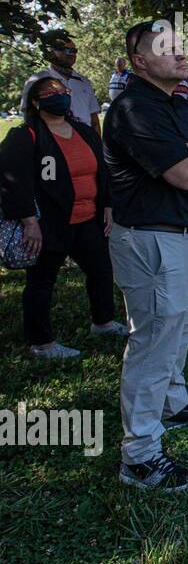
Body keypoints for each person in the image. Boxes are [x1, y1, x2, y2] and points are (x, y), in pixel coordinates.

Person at [103, 19, 188, 491]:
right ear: (139, 60)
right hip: (151, 237)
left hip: (185, 233)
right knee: (154, 339)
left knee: (181, 324)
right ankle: (139, 454)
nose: (182, 54)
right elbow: (185, 173)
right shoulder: (133, 108)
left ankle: (173, 404)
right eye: (168, 48)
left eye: (183, 47)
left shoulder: (178, 102)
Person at [0, 76, 127, 360]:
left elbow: (103, 171)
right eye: (50, 92)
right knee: (42, 281)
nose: (59, 95)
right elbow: (12, 182)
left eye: (63, 91)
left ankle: (103, 322)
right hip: (49, 224)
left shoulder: (84, 132)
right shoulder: (25, 136)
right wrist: (29, 221)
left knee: (101, 270)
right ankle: (41, 342)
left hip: (88, 219)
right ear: (35, 101)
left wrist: (107, 204)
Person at [21, 31, 101, 134]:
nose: (69, 54)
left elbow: (93, 117)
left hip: (85, 141)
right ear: (51, 51)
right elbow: (28, 116)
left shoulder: (84, 82)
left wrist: (98, 146)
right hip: (52, 142)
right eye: (63, 49)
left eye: (73, 51)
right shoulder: (36, 80)